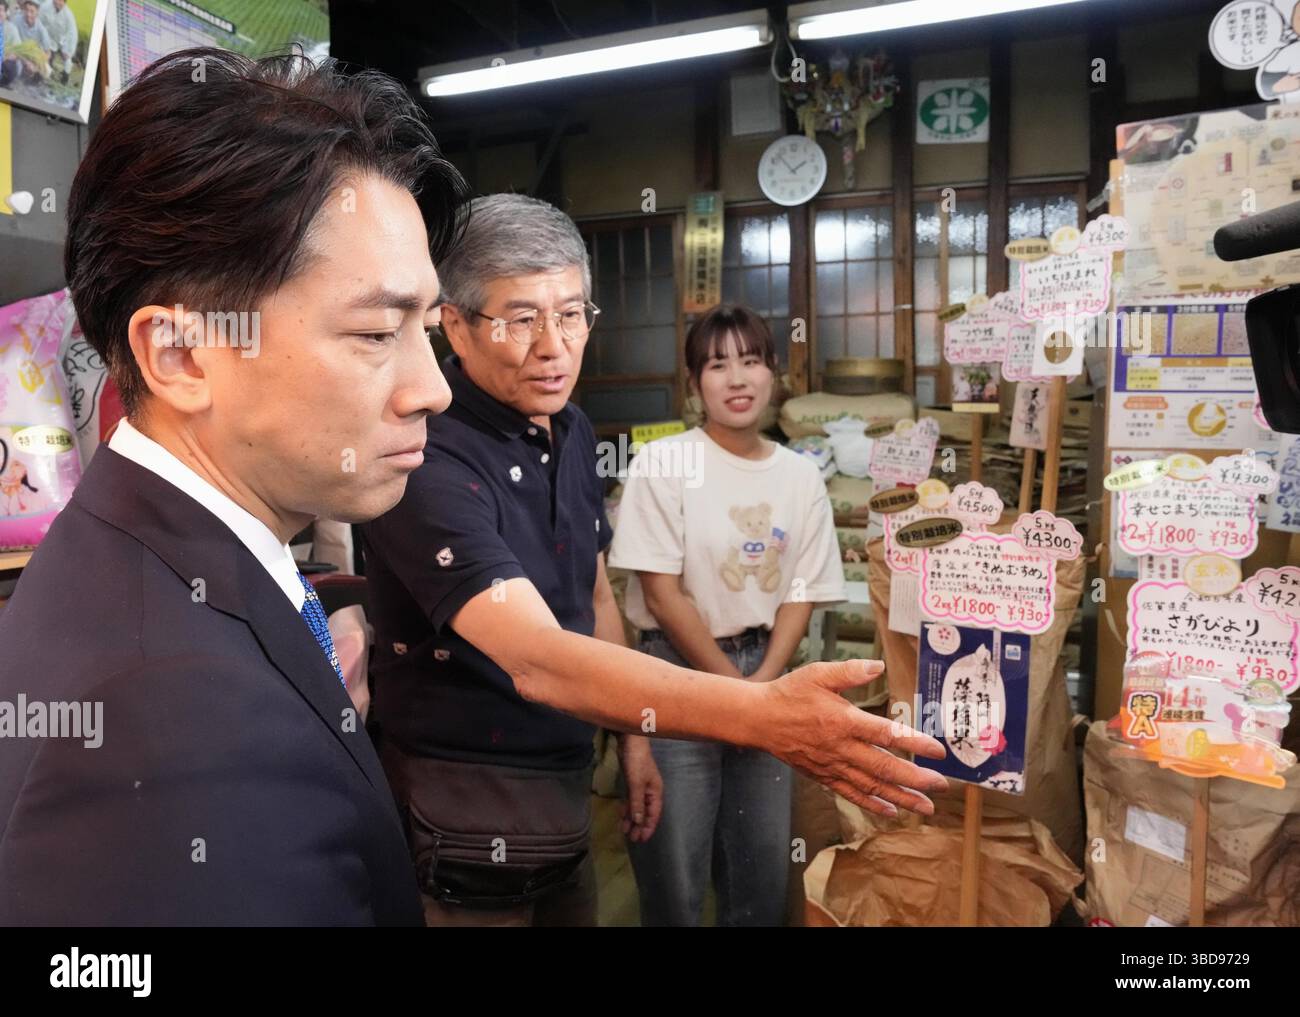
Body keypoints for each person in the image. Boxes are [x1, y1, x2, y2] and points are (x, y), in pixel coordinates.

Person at [361, 194, 948, 928]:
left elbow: (598, 594)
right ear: (456, 324)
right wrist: (760, 712)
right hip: (464, 798)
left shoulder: (569, 428)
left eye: (572, 313)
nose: (554, 345)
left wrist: (634, 739)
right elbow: (539, 658)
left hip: (565, 779)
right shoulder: (427, 453)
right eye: (520, 318)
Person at [0, 48, 471, 925]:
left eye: (428, 327)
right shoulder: (168, 722)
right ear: (180, 355)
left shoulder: (153, 556)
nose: (433, 387)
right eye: (376, 332)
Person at [608, 305, 845, 926]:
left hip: (768, 674)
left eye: (751, 361)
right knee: (675, 877)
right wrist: (735, 693)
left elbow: (803, 587)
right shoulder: (664, 464)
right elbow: (661, 594)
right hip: (677, 676)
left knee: (761, 874)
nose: (736, 379)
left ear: (774, 373)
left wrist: (763, 686)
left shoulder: (800, 475)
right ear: (694, 383)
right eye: (717, 365)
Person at [0, 1, 49, 87]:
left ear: (37, 12)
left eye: (32, 11)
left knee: (43, 71)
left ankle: (33, 82)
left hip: (30, 55)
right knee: (14, 65)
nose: (28, 14)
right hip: (16, 52)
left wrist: (37, 64)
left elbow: (48, 52)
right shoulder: (16, 20)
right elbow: (7, 30)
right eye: (26, 10)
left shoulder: (42, 30)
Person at [38, 0, 76, 83]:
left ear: (64, 2)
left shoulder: (68, 15)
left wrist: (69, 51)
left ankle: (66, 74)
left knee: (66, 57)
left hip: (63, 39)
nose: (57, 2)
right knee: (46, 58)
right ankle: (47, 71)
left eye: (60, 0)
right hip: (48, 37)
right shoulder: (45, 6)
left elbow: (72, 34)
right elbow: (39, 22)